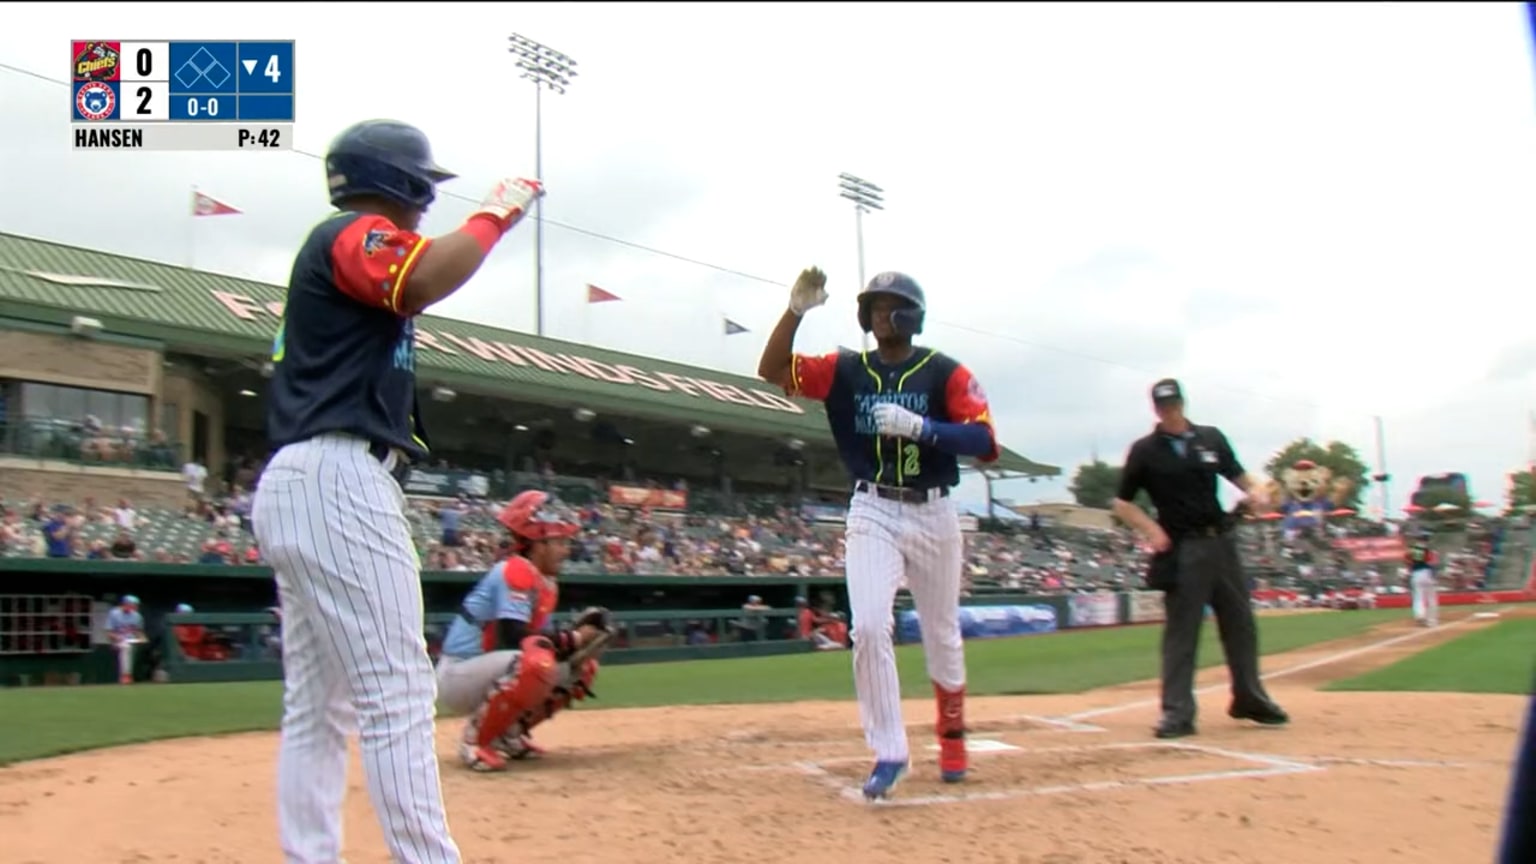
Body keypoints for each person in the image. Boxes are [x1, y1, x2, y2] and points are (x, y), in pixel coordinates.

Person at [250, 118, 543, 864]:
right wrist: (495, 213)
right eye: (422, 187)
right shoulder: (351, 233)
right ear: (402, 182)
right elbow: (423, 277)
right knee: (397, 689)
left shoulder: (337, 250)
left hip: (303, 479)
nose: (425, 203)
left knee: (317, 707)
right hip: (338, 477)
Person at [756, 267, 1000, 800]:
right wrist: (794, 312)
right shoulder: (847, 370)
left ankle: (951, 735)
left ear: (913, 315)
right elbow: (771, 369)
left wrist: (924, 428)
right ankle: (889, 750)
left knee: (941, 632)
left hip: (934, 510)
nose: (882, 314)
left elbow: (984, 440)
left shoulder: (943, 372)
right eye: (875, 306)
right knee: (867, 626)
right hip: (872, 507)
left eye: (892, 305)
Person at [1112, 378, 1289, 739]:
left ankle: (1249, 698)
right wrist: (1152, 530)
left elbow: (1239, 476)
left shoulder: (1211, 438)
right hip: (1182, 547)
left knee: (1240, 624)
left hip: (1221, 540)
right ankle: (1177, 712)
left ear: (1183, 403)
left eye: (1174, 404)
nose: (1170, 410)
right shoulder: (1144, 451)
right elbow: (1122, 503)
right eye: (1164, 406)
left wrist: (1257, 494)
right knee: (1182, 633)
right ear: (1156, 409)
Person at [435, 489, 613, 771]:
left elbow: (538, 641)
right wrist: (575, 637)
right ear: (538, 544)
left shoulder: (544, 581)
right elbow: (513, 636)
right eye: (560, 542)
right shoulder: (516, 570)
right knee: (537, 662)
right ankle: (474, 741)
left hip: (490, 669)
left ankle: (508, 734)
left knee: (580, 667)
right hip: (459, 673)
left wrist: (572, 644)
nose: (566, 550)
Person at [105, 594, 145, 684]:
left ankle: (134, 675)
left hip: (132, 640)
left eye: (136, 606)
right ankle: (126, 675)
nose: (135, 607)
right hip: (117, 641)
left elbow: (138, 632)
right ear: (125, 604)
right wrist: (118, 638)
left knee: (131, 647)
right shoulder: (114, 613)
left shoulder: (137, 616)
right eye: (133, 605)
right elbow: (109, 633)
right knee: (126, 647)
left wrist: (142, 638)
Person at [1405, 531, 1439, 627]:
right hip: (1427, 573)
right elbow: (1433, 563)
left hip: (1416, 574)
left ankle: (1420, 615)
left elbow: (1407, 562)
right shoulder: (1430, 551)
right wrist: (1434, 576)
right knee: (1431, 598)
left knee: (1418, 597)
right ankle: (1432, 620)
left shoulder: (1411, 551)